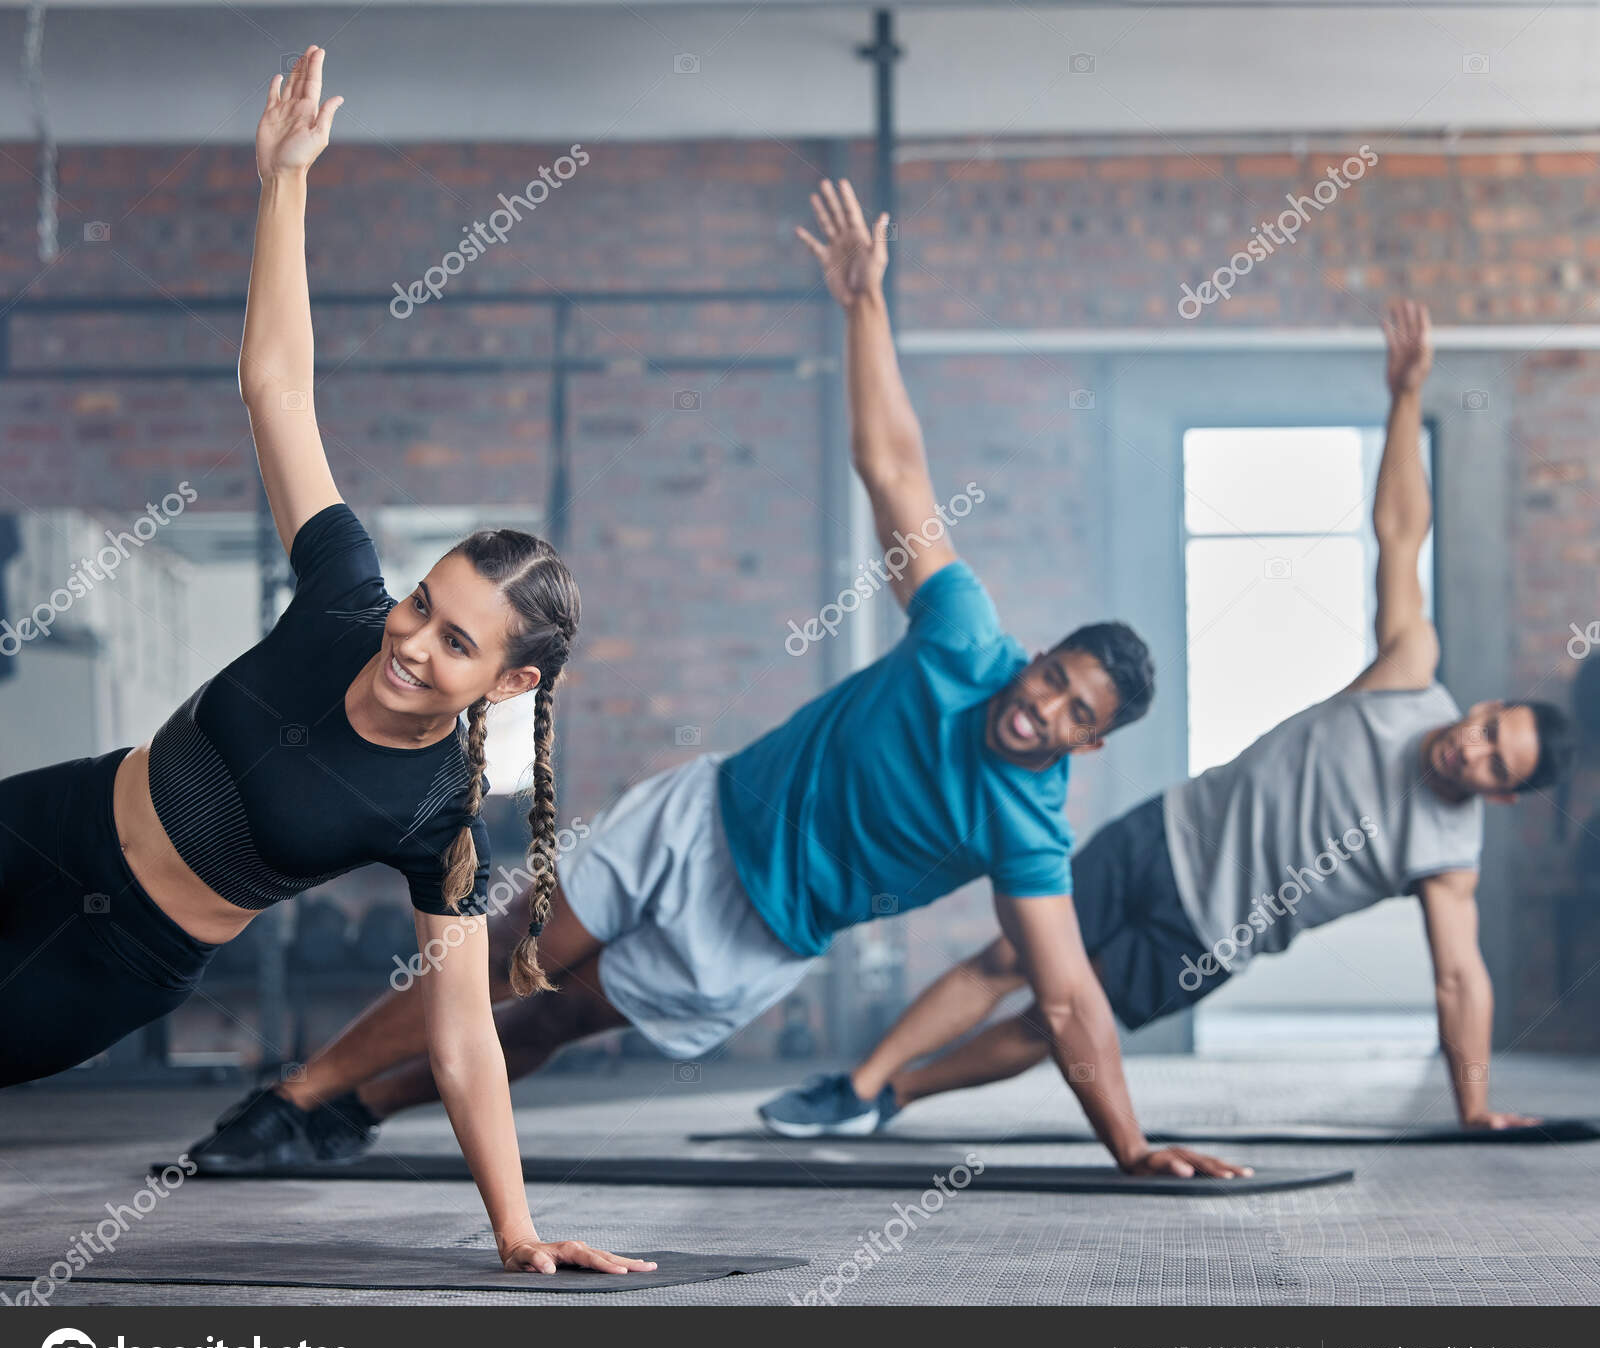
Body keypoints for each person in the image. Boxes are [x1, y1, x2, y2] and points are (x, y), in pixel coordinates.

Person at [183, 176, 1250, 1183]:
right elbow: (893, 469)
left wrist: (1131, 1146)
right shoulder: (965, 637)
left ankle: (352, 1113)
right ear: (1038, 655)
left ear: (1089, 742)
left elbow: (1064, 998)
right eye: (1055, 675)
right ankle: (293, 1092)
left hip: (759, 932)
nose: (1042, 707)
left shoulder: (1029, 824)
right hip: (702, 817)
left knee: (550, 1019)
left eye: (1075, 713)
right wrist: (863, 305)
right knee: (515, 956)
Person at [0, 46, 651, 1278]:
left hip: (112, 954)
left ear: (510, 684)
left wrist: (513, 1230)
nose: (409, 638)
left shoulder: (437, 816)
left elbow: (462, 1040)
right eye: (422, 603)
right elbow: (276, 388)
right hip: (58, 813)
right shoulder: (345, 593)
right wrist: (284, 182)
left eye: (456, 640)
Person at [762, 298, 1575, 1139]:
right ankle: (856, 1086)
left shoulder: (1448, 855)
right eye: (1488, 732)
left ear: (1502, 796)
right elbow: (1399, 534)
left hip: (1213, 934)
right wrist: (1405, 396)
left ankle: (896, 1097)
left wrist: (1473, 1105)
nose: (1472, 753)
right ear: (1484, 709)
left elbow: (1459, 981)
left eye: (1495, 767)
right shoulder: (1410, 680)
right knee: (1009, 957)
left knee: (1059, 1020)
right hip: (1166, 834)